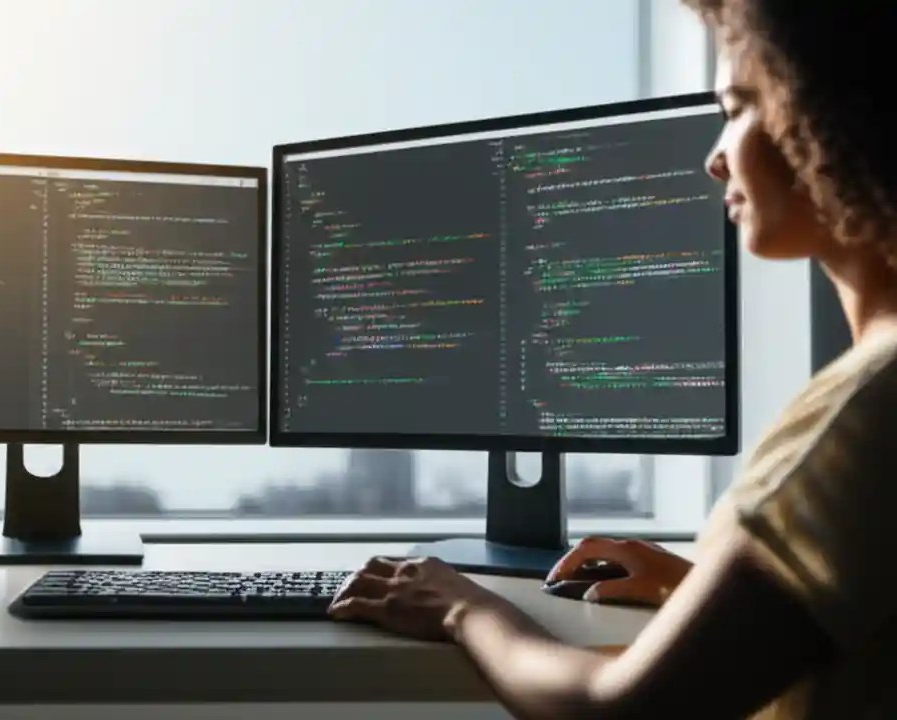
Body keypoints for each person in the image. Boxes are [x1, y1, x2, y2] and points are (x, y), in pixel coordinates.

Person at [329, 2, 897, 718]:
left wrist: (460, 609)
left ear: (824, 117)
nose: (714, 156)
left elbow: (619, 712)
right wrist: (698, 588)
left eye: (738, 107)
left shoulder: (873, 406)